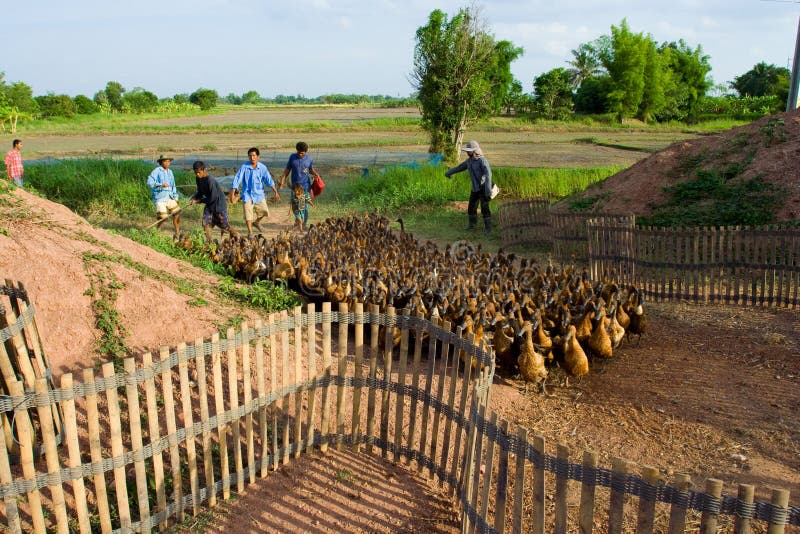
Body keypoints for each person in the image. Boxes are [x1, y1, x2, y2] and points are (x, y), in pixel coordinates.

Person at [444, 140, 494, 236]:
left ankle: (488, 229)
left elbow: (488, 175)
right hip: (475, 189)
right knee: (471, 208)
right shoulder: (469, 161)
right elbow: (459, 167)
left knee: (484, 208)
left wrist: (488, 191)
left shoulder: (482, 161)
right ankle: (472, 225)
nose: (467, 152)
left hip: (484, 189)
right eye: (467, 151)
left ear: (475, 151)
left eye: (469, 151)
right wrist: (449, 172)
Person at [229, 147, 280, 237]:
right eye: (250, 156)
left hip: (259, 194)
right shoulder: (244, 167)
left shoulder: (262, 168)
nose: (252, 157)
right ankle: (250, 232)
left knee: (265, 211)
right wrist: (232, 193)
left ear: (258, 156)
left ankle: (256, 223)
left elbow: (269, 180)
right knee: (248, 215)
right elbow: (237, 179)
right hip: (247, 194)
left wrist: (275, 192)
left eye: (254, 155)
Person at [188, 161, 240, 242]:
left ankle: (237, 234)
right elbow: (200, 192)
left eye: (199, 172)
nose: (197, 174)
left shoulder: (210, 180)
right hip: (209, 205)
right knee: (205, 225)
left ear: (204, 170)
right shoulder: (198, 179)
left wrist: (198, 201)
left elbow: (213, 197)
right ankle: (210, 243)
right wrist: (193, 198)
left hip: (219, 205)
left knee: (224, 226)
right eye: (195, 173)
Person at [278, 141, 321, 229]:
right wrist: (282, 181)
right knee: (296, 206)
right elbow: (287, 170)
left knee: (305, 207)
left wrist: (316, 174)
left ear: (306, 152)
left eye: (302, 153)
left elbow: (310, 169)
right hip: (295, 187)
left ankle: (303, 224)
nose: (300, 154)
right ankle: (298, 221)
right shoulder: (292, 157)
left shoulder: (309, 159)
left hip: (305, 187)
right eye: (298, 152)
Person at [147, 154, 181, 236]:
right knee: (163, 217)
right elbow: (149, 183)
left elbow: (173, 185)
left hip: (169, 197)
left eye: (168, 161)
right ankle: (157, 230)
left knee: (177, 213)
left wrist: (175, 197)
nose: (167, 163)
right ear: (161, 162)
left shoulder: (170, 172)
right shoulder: (157, 171)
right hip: (160, 198)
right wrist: (161, 184)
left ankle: (177, 232)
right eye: (165, 161)